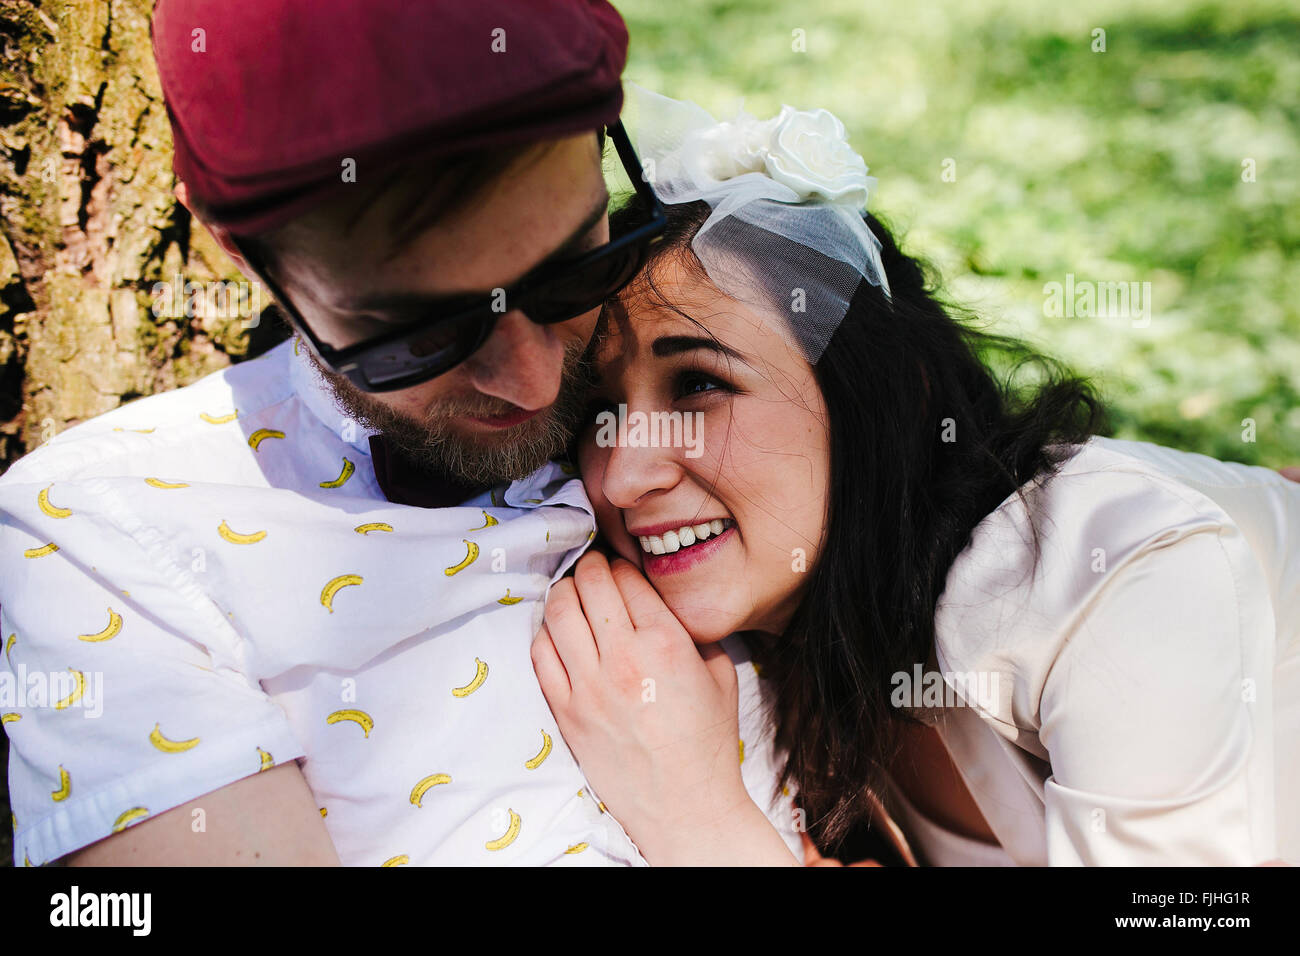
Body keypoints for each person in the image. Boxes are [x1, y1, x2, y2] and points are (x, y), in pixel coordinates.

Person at [0, 4, 804, 867]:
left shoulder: (700, 361)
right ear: (236, 252)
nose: (534, 383)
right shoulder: (108, 533)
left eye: (576, 269)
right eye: (423, 337)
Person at [533, 87, 1300, 866]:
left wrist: (697, 817)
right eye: (596, 413)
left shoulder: (1109, 567)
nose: (623, 475)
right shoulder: (784, 641)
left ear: (885, 398)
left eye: (699, 384)